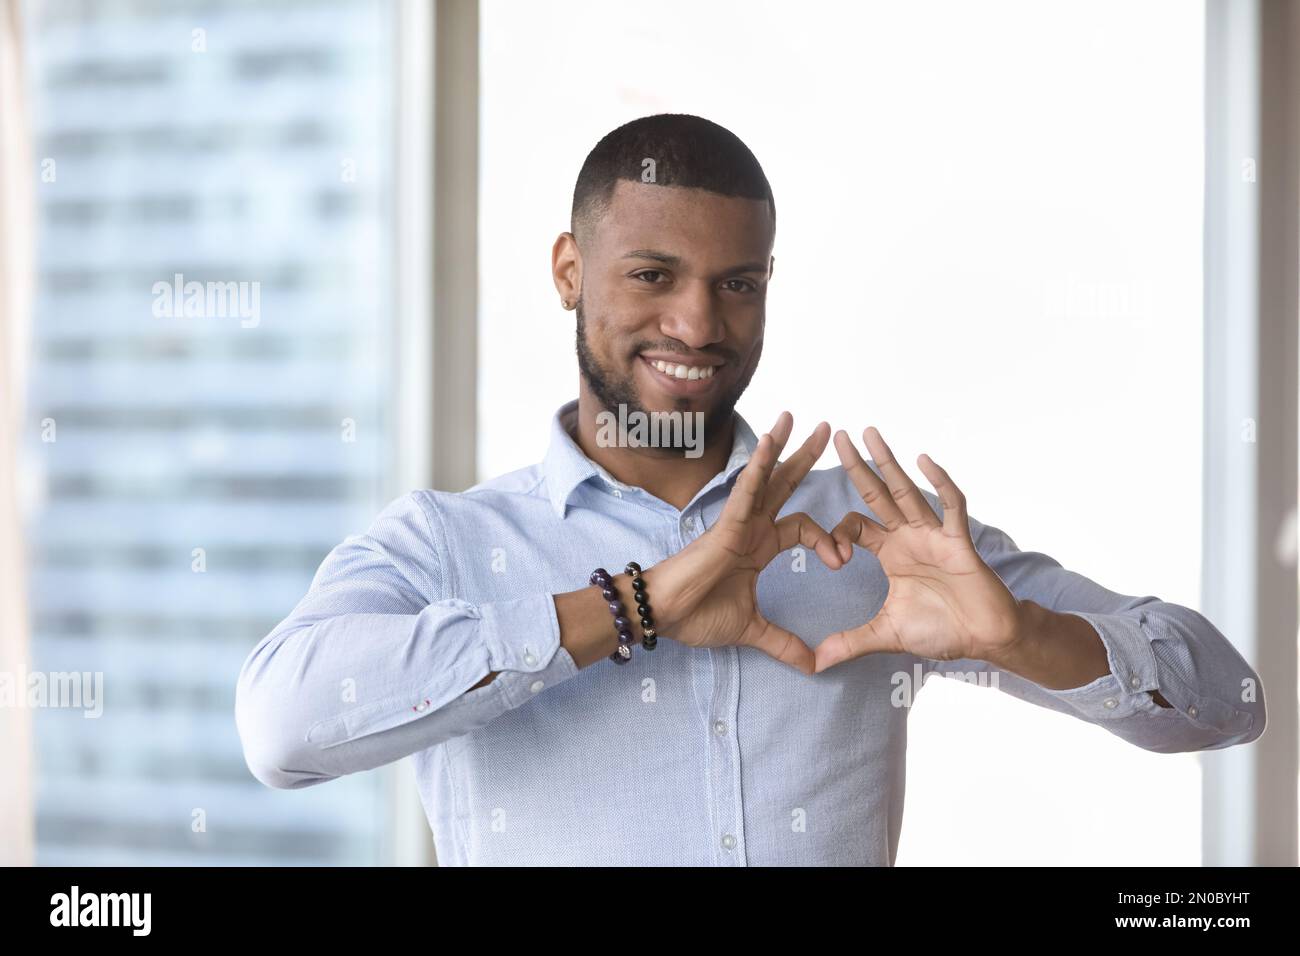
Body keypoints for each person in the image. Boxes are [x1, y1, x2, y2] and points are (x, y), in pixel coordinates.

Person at [235, 113, 1266, 866]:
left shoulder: (867, 535)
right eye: (651, 274)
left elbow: (1229, 700)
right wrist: (634, 605)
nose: (696, 324)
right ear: (567, 269)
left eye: (738, 283)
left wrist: (1023, 637)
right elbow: (282, 726)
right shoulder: (451, 544)